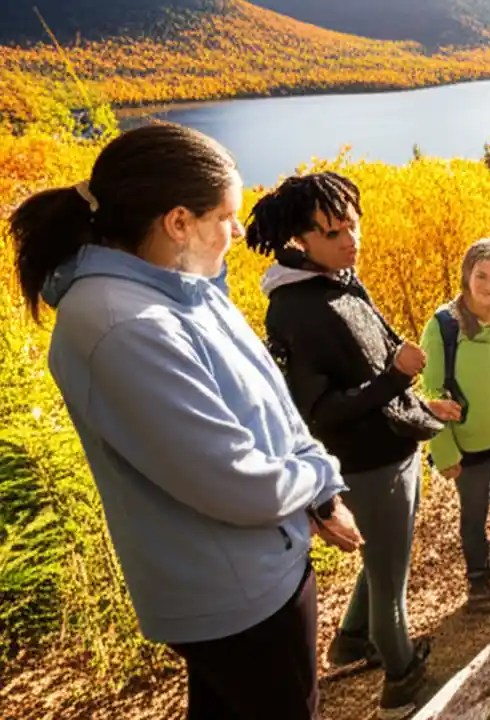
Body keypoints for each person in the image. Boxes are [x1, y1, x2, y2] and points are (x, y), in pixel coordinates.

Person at [9, 124, 360, 719]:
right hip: (237, 592)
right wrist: (317, 474)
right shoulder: (125, 327)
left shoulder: (180, 287)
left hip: (254, 564)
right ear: (178, 222)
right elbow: (236, 482)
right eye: (226, 216)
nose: (238, 231)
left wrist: (317, 489)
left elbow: (267, 399)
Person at [245, 172, 442, 718]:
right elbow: (320, 412)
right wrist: (397, 378)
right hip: (368, 463)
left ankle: (352, 640)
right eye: (333, 233)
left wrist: (418, 404)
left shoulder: (335, 280)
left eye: (353, 225)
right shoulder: (299, 309)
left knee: (381, 560)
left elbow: (365, 359)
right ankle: (402, 680)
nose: (350, 240)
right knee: (391, 579)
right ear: (299, 239)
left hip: (391, 445)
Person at [420, 239, 490, 608]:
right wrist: (443, 450)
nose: (488, 286)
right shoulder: (444, 326)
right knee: (474, 511)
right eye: (481, 275)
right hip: (468, 440)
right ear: (467, 273)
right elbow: (432, 391)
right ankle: (478, 579)